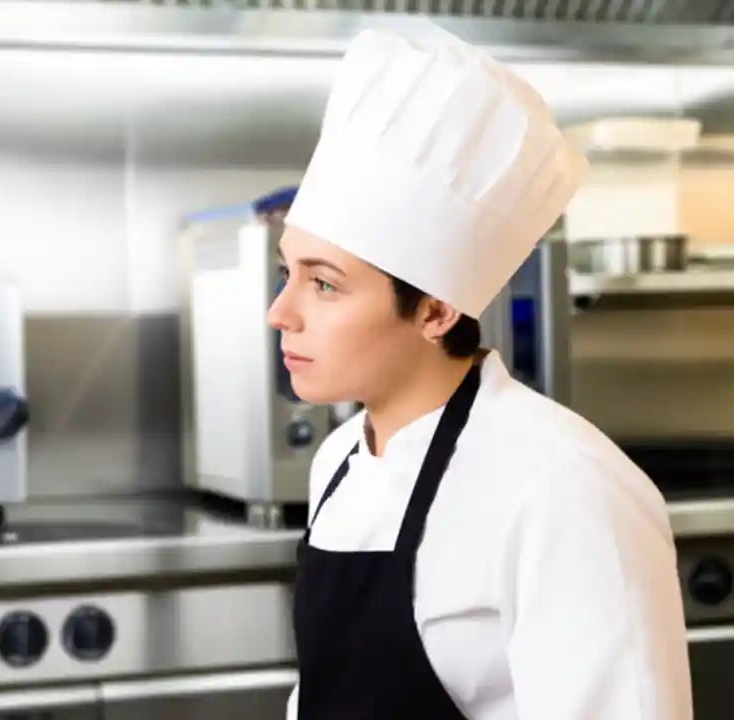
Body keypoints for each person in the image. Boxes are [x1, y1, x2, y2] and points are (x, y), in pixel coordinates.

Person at [268, 20, 692, 720]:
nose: (280, 312)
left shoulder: (565, 489)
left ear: (435, 311)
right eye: (289, 273)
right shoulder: (341, 460)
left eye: (325, 284)